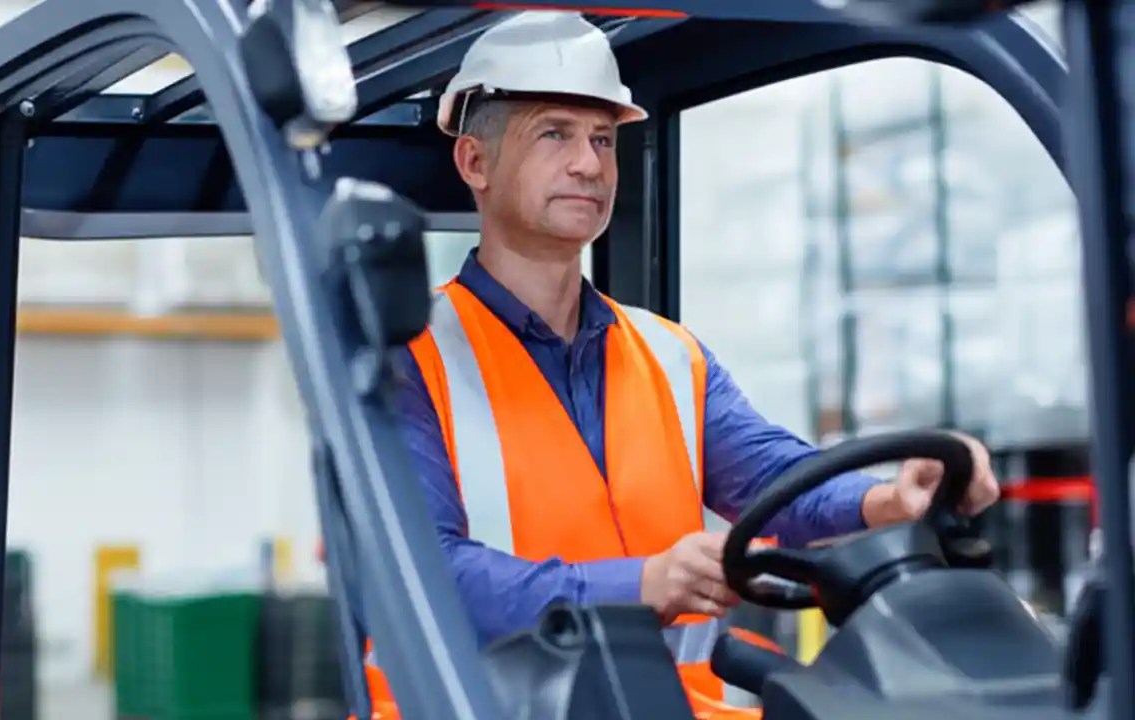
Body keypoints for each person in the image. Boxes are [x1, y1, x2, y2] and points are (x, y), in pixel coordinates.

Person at [360, 10, 1001, 719]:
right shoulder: (404, 352)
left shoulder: (670, 353)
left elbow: (774, 479)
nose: (589, 164)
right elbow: (429, 572)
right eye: (555, 134)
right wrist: (642, 584)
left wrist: (888, 500)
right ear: (475, 162)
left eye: (603, 139)